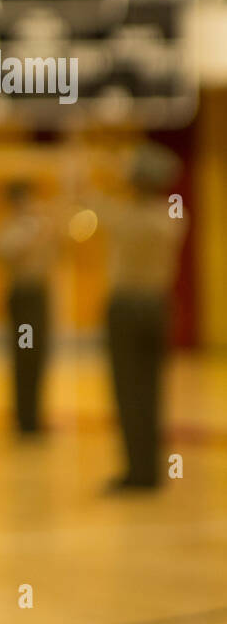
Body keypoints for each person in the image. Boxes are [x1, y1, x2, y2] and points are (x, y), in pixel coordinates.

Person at [93, 143, 187, 490]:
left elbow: (90, 205)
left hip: (126, 308)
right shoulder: (172, 217)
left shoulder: (124, 215)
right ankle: (151, 470)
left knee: (128, 390)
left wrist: (110, 170)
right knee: (152, 390)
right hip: (158, 307)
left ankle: (137, 471)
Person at [0, 180, 60, 434]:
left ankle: (35, 415)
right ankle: (23, 419)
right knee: (24, 354)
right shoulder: (10, 227)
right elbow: (6, 251)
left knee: (39, 355)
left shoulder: (41, 224)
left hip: (40, 295)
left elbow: (57, 253)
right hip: (22, 298)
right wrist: (34, 229)